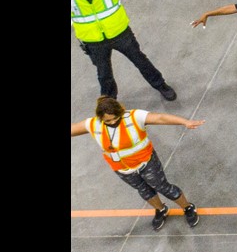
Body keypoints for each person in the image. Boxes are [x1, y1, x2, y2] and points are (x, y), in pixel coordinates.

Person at [71, 96, 202, 231]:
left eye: (116, 118)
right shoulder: (93, 124)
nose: (113, 122)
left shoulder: (134, 117)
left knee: (163, 187)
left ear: (120, 111)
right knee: (144, 191)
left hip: (146, 163)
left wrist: (184, 122)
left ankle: (188, 207)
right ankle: (161, 209)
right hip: (122, 169)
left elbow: (160, 118)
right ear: (100, 118)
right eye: (108, 121)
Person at [70, 0, 184, 101]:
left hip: (121, 35)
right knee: (104, 74)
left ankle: (161, 85)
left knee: (141, 61)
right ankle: (110, 101)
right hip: (93, 42)